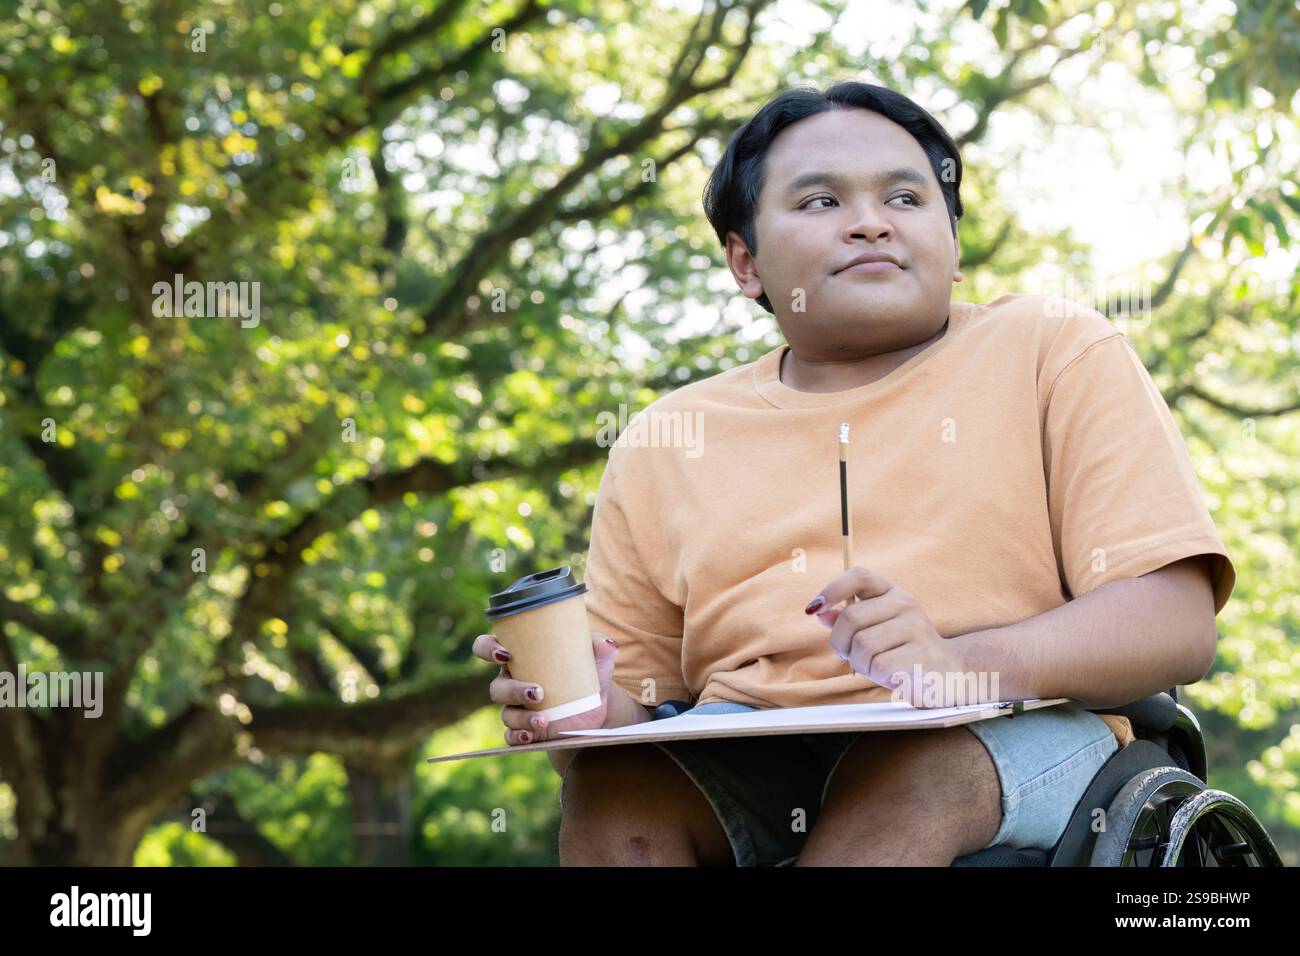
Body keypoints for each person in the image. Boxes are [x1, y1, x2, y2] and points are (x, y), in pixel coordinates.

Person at [474, 80, 1235, 866]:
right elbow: (632, 710)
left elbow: (1176, 621)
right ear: (746, 262)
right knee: (610, 797)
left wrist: (959, 666)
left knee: (904, 778)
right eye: (820, 203)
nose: (871, 222)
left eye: (906, 197)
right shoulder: (670, 436)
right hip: (753, 749)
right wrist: (583, 711)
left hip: (1008, 733)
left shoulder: (1052, 349)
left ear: (953, 243)